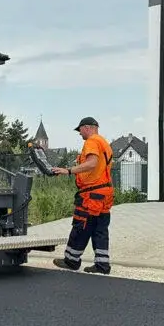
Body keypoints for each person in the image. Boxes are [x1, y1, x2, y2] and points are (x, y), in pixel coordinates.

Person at [50, 116, 114, 274]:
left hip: (91, 194)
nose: (80, 134)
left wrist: (68, 170)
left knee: (81, 226)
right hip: (105, 193)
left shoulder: (92, 141)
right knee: (100, 229)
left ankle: (71, 260)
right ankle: (102, 265)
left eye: (80, 130)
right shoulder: (104, 143)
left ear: (87, 127)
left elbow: (92, 163)